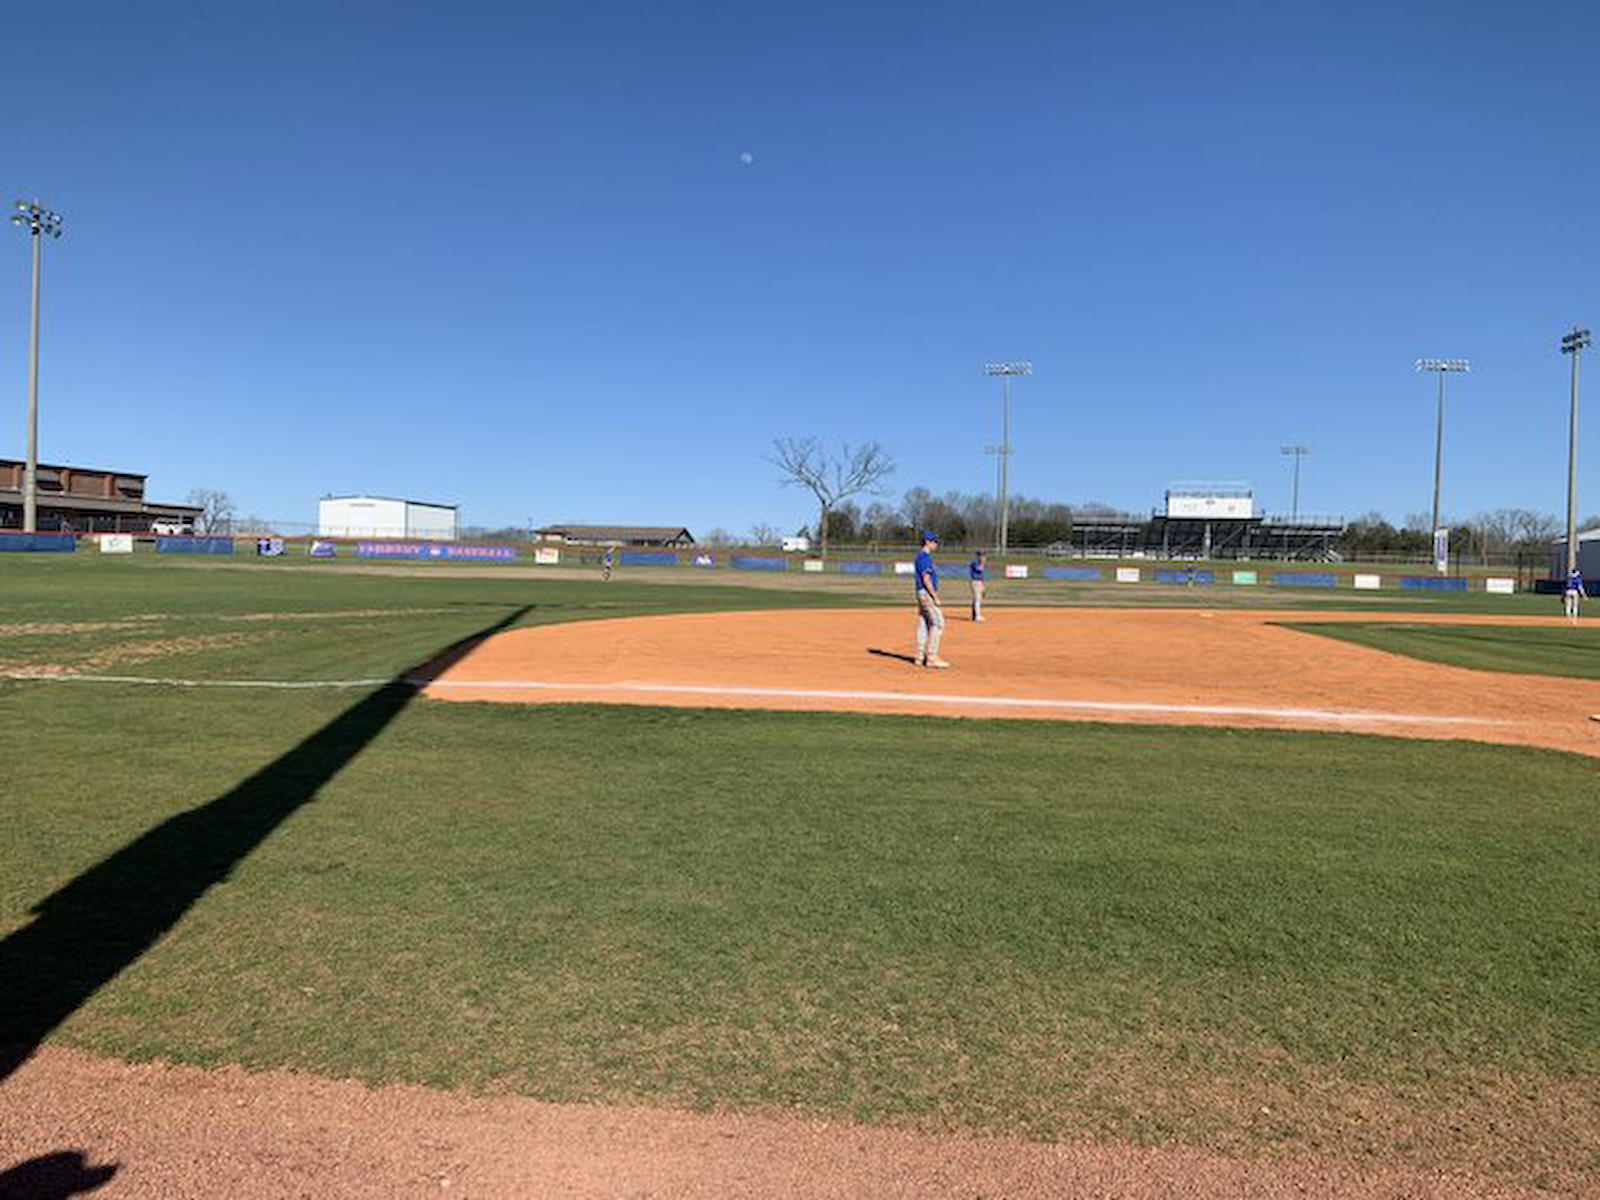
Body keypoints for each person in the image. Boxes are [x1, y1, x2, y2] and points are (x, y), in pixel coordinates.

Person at [914, 530, 949, 668]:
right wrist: (935, 596)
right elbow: (926, 578)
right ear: (927, 542)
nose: (936, 544)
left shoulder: (919, 556)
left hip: (921, 593)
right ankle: (931, 656)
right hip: (927, 594)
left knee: (923, 623)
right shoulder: (924, 557)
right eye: (934, 541)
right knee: (938, 623)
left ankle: (919, 656)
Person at [969, 550, 987, 622]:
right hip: (975, 581)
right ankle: (977, 615)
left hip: (979, 581)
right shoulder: (975, 563)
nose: (983, 557)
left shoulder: (979, 563)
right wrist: (982, 563)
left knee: (978, 598)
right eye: (981, 556)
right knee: (977, 598)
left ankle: (974, 615)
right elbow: (979, 569)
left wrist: (983, 584)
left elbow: (981, 574)